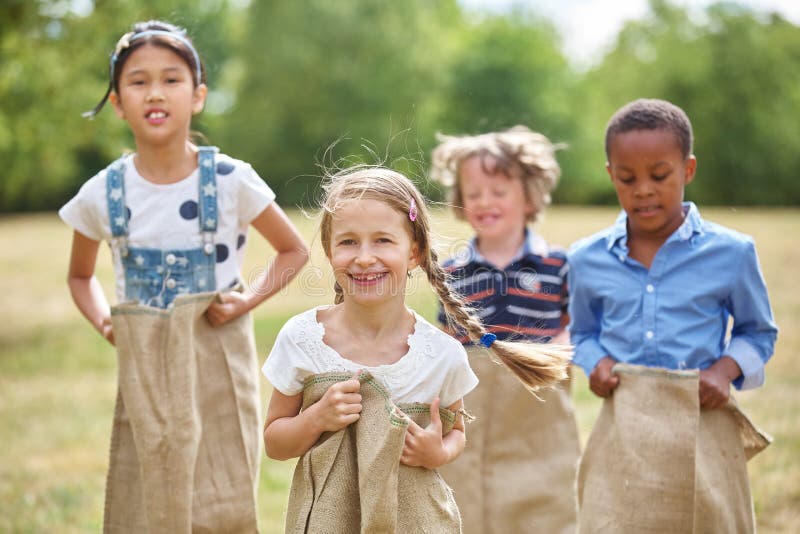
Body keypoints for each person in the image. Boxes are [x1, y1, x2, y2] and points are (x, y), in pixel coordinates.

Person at [59, 20, 309, 531]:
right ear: (117, 103)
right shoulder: (103, 193)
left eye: (172, 79)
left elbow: (293, 251)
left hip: (217, 351)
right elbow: (80, 277)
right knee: (149, 477)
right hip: (146, 363)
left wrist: (245, 301)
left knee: (224, 480)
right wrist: (107, 322)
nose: (155, 92)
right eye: (138, 80)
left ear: (197, 97)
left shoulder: (230, 180)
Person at [261, 166, 571, 533]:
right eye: (348, 242)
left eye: (382, 240)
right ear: (329, 251)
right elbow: (274, 444)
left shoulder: (441, 353)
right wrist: (315, 419)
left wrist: (437, 453)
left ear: (415, 253)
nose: (363, 257)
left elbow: (456, 432)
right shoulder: (303, 338)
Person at [569, 98, 778, 532]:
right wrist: (596, 363)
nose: (643, 189)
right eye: (628, 179)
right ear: (611, 176)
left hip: (700, 422)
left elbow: (759, 333)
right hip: (624, 427)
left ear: (688, 170)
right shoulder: (586, 259)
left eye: (659, 176)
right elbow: (582, 331)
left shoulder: (732, 253)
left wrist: (724, 370)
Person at [429, 125, 581, 534]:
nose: (485, 203)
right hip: (471, 421)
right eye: (473, 194)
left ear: (529, 196)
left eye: (498, 192)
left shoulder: (557, 266)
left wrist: (556, 357)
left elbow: (573, 330)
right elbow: (445, 343)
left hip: (537, 423)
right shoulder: (451, 273)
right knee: (467, 509)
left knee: (544, 512)